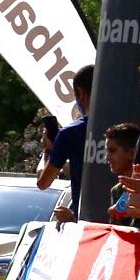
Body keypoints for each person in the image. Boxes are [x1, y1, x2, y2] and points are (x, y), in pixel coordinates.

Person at [36, 64, 95, 223]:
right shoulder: (126, 128)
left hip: (85, 224)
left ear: (80, 93)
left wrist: (48, 151)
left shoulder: (70, 133)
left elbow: (43, 182)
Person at [104, 123, 140, 227]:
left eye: (112, 151)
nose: (107, 158)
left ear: (132, 153)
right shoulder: (116, 190)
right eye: (107, 151)